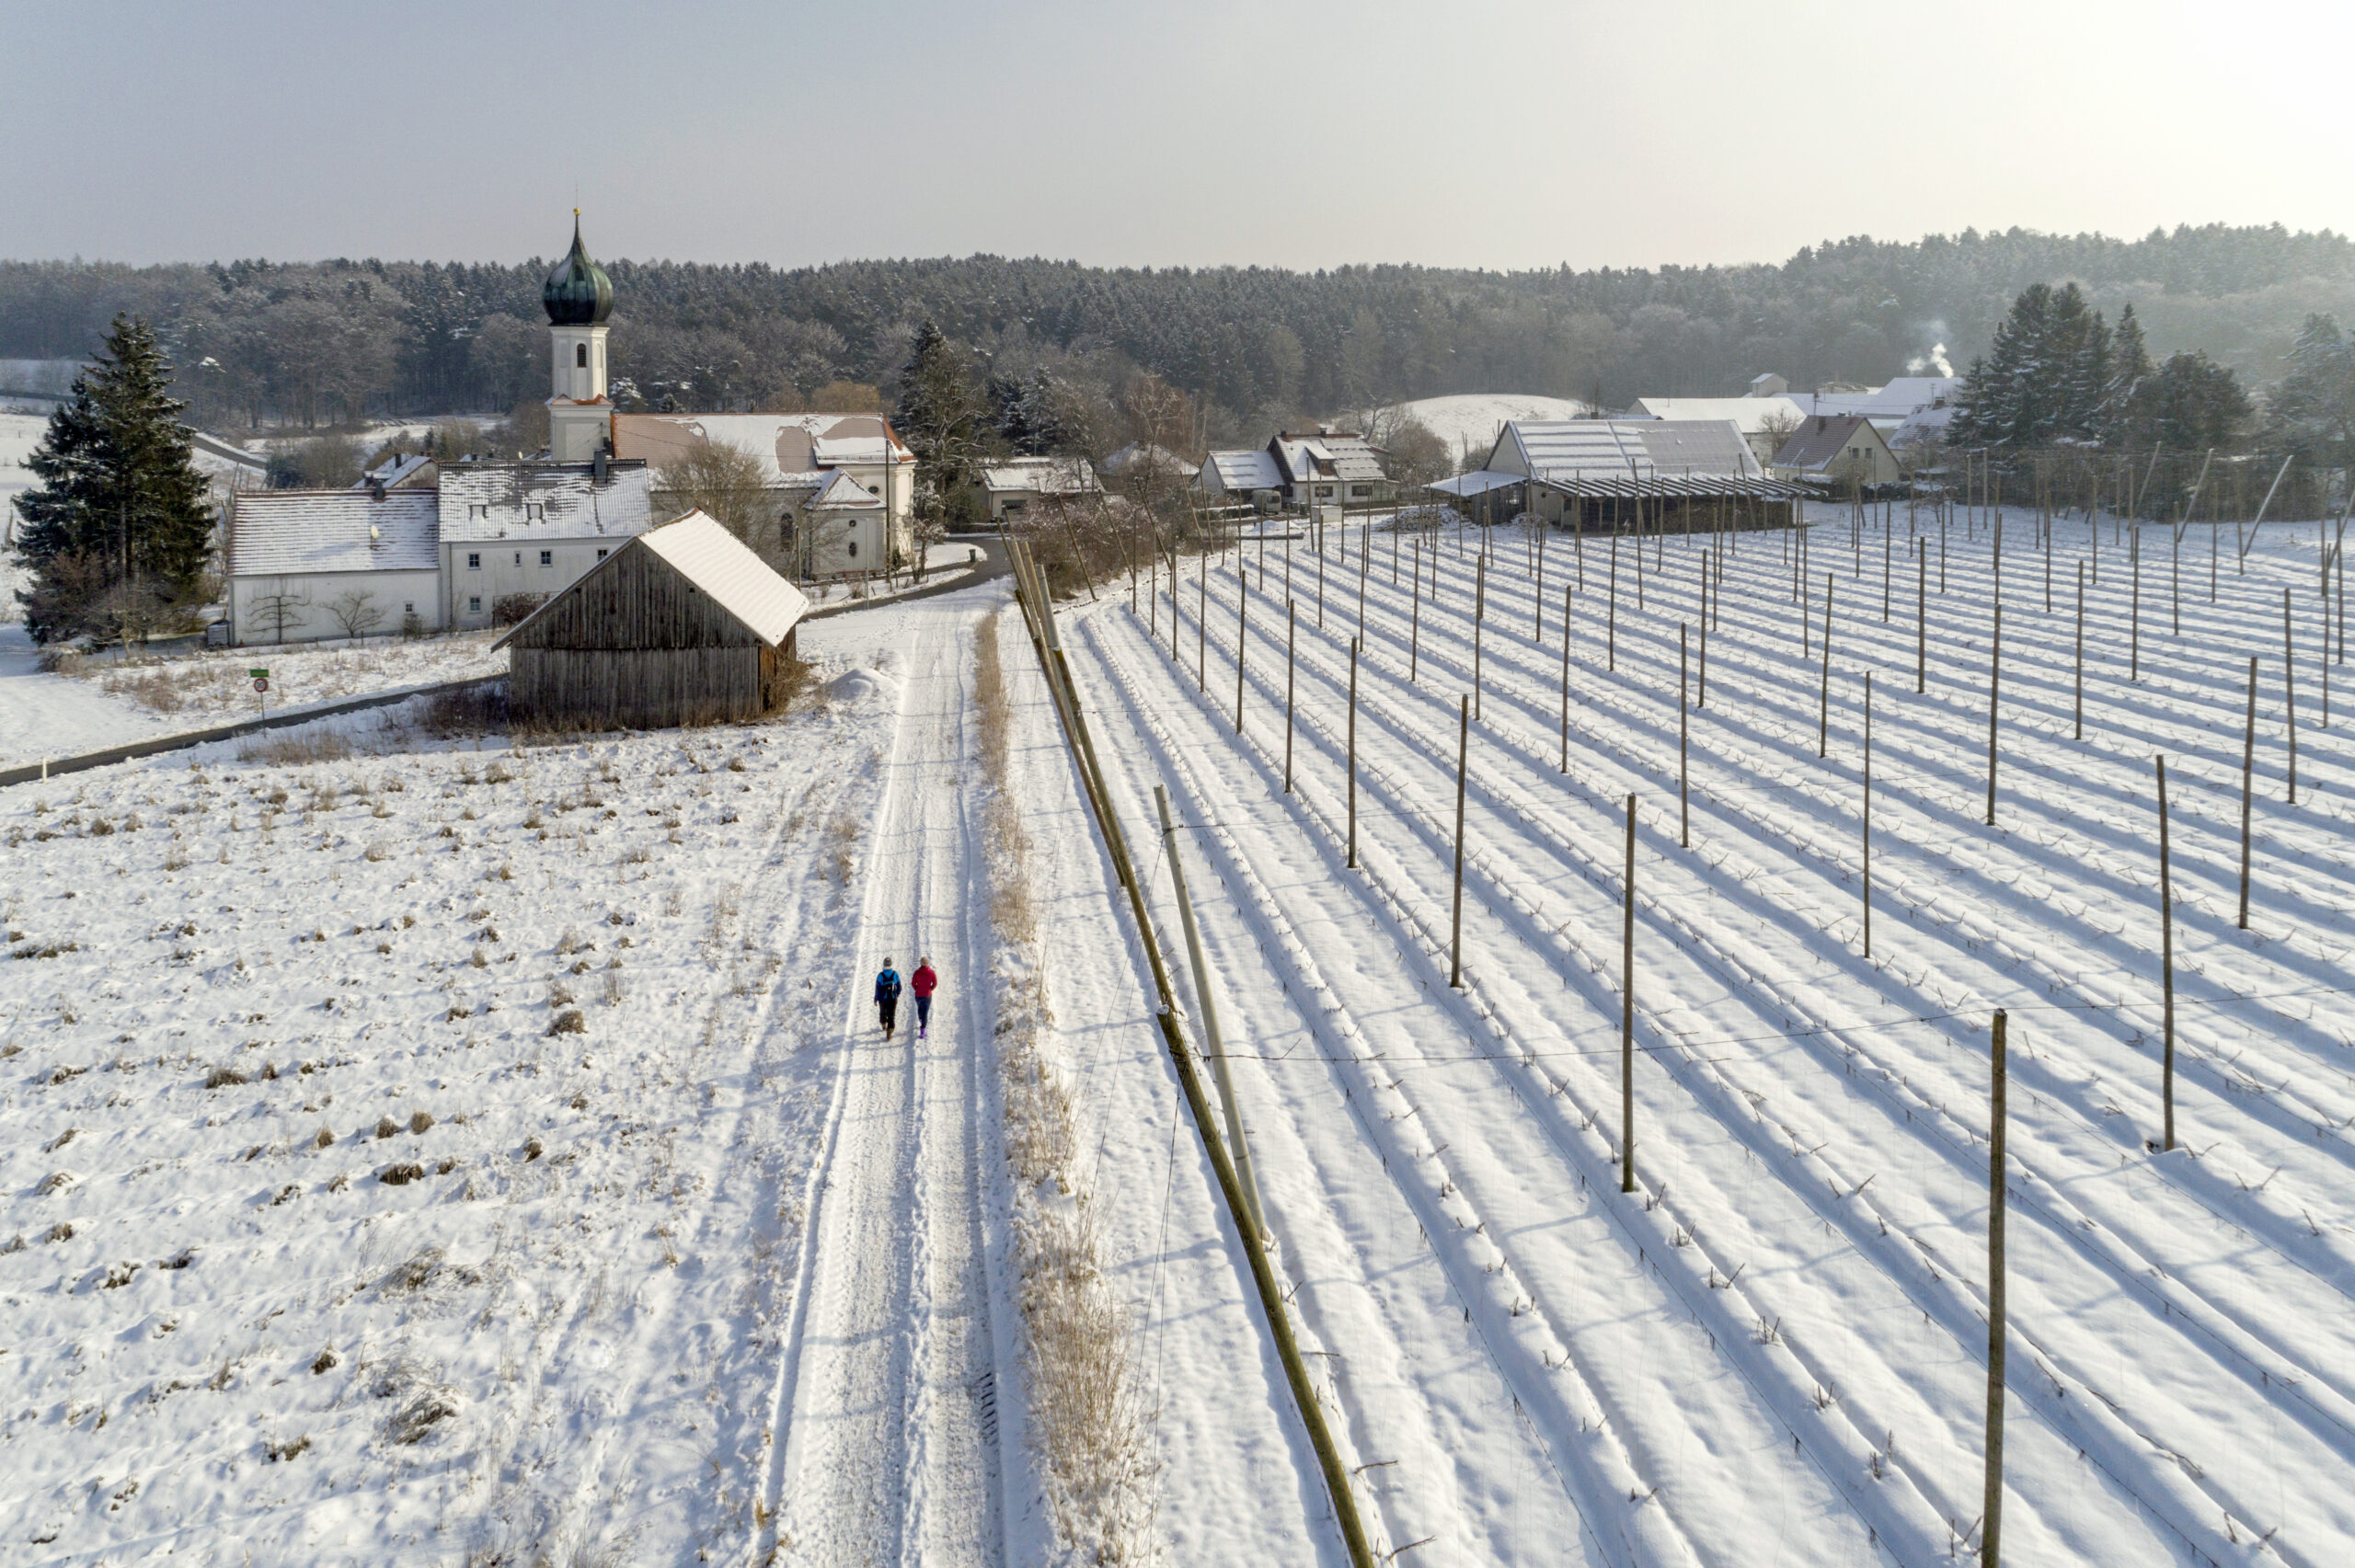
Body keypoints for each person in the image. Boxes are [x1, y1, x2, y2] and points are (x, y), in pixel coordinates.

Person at [874, 958, 902, 1038]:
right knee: (891, 1015)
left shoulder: (880, 975)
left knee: (883, 1012)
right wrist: (896, 994)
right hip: (893, 999)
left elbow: (877, 989)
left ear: (883, 965)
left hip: (882, 999)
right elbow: (899, 987)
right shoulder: (895, 974)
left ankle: (883, 1023)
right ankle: (890, 1030)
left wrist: (876, 999)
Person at [910, 957, 937, 1038]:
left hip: (918, 995)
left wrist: (917, 989)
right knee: (925, 1011)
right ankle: (923, 1031)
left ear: (921, 963)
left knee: (919, 1008)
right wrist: (930, 989)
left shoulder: (917, 972)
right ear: (928, 963)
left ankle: (921, 1019)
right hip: (927, 995)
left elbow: (913, 983)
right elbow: (935, 983)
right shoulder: (932, 973)